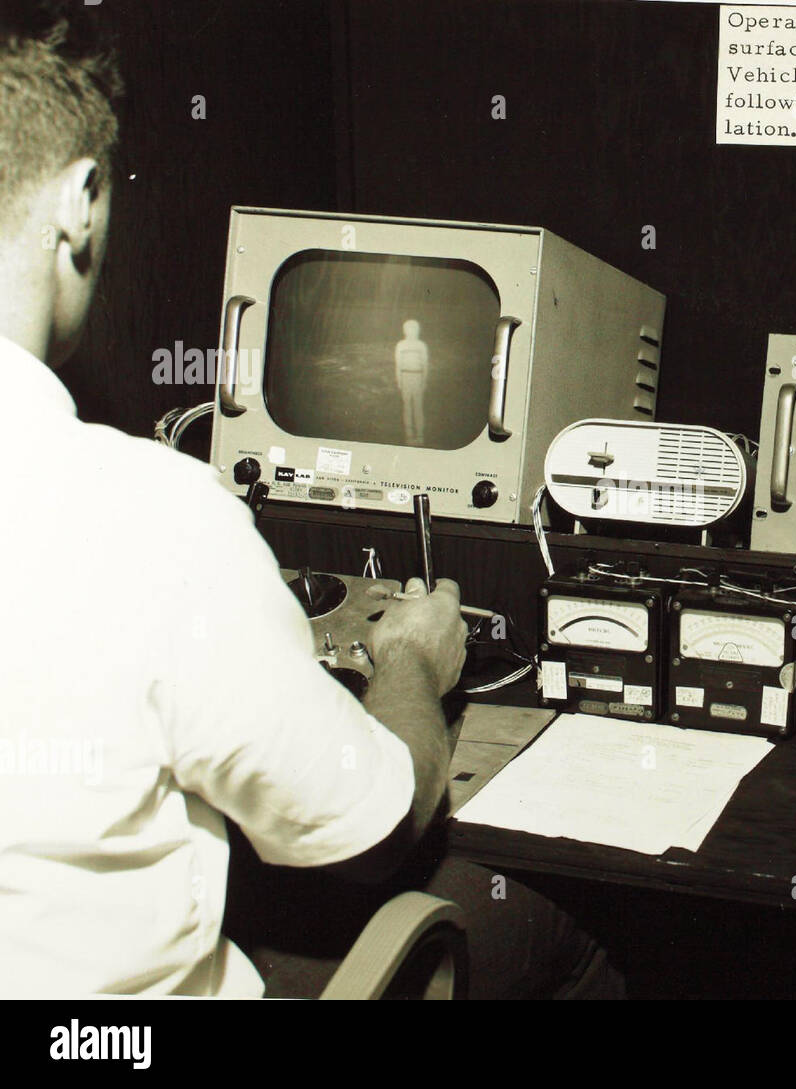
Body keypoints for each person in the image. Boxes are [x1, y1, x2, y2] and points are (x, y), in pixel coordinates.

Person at [0, 1, 621, 999]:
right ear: (78, 201)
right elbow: (370, 828)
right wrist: (413, 660)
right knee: (561, 918)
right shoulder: (150, 515)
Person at [395, 317, 430, 445]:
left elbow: (425, 365)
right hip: (405, 377)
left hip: (418, 377)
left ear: (418, 330)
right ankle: (409, 435)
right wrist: (399, 380)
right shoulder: (400, 345)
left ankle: (420, 435)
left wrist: (424, 381)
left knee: (418, 407)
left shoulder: (421, 345)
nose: (411, 331)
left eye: (414, 328)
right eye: (409, 328)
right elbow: (398, 365)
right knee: (407, 407)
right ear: (405, 330)